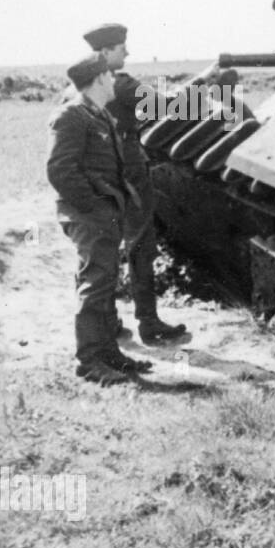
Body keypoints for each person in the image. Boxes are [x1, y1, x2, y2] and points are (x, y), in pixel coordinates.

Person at [83, 23, 203, 342]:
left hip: (96, 173)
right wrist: (206, 85)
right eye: (121, 48)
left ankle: (105, 323)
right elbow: (168, 108)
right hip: (129, 172)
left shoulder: (80, 86)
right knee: (140, 244)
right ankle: (148, 323)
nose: (127, 52)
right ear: (105, 52)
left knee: (101, 247)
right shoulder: (120, 83)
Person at [47, 55, 155, 384]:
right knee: (95, 286)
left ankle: (110, 354)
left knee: (105, 284)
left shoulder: (99, 114)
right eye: (109, 77)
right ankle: (90, 361)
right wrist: (94, 207)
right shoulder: (71, 115)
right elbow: (60, 170)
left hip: (105, 214)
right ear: (98, 80)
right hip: (90, 215)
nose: (114, 82)